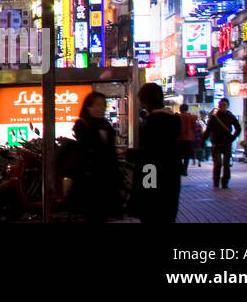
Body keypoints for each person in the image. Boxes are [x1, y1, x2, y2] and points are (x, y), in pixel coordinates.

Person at [131, 83, 181, 223]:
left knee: (152, 214)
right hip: (170, 176)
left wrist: (130, 154)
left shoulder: (154, 121)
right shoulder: (172, 120)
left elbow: (150, 154)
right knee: (166, 215)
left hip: (152, 173)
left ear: (147, 100)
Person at [68, 91, 121, 224]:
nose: (102, 108)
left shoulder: (106, 126)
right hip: (90, 181)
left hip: (106, 180)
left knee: (102, 216)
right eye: (98, 105)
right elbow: (88, 151)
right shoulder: (82, 125)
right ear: (88, 107)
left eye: (104, 105)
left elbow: (110, 154)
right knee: (93, 216)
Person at [204, 97, 242, 188]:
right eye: (221, 105)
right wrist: (203, 140)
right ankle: (216, 180)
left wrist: (232, 138)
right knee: (217, 163)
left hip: (227, 143)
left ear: (227, 106)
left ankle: (225, 181)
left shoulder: (230, 116)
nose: (222, 107)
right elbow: (208, 130)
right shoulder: (214, 118)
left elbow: (238, 128)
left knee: (226, 164)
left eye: (224, 105)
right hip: (216, 143)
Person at [178, 104, 197, 176]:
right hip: (189, 138)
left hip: (180, 138)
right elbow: (194, 126)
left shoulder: (178, 117)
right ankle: (185, 169)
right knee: (187, 155)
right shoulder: (191, 117)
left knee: (179, 154)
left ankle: (181, 168)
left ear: (180, 109)